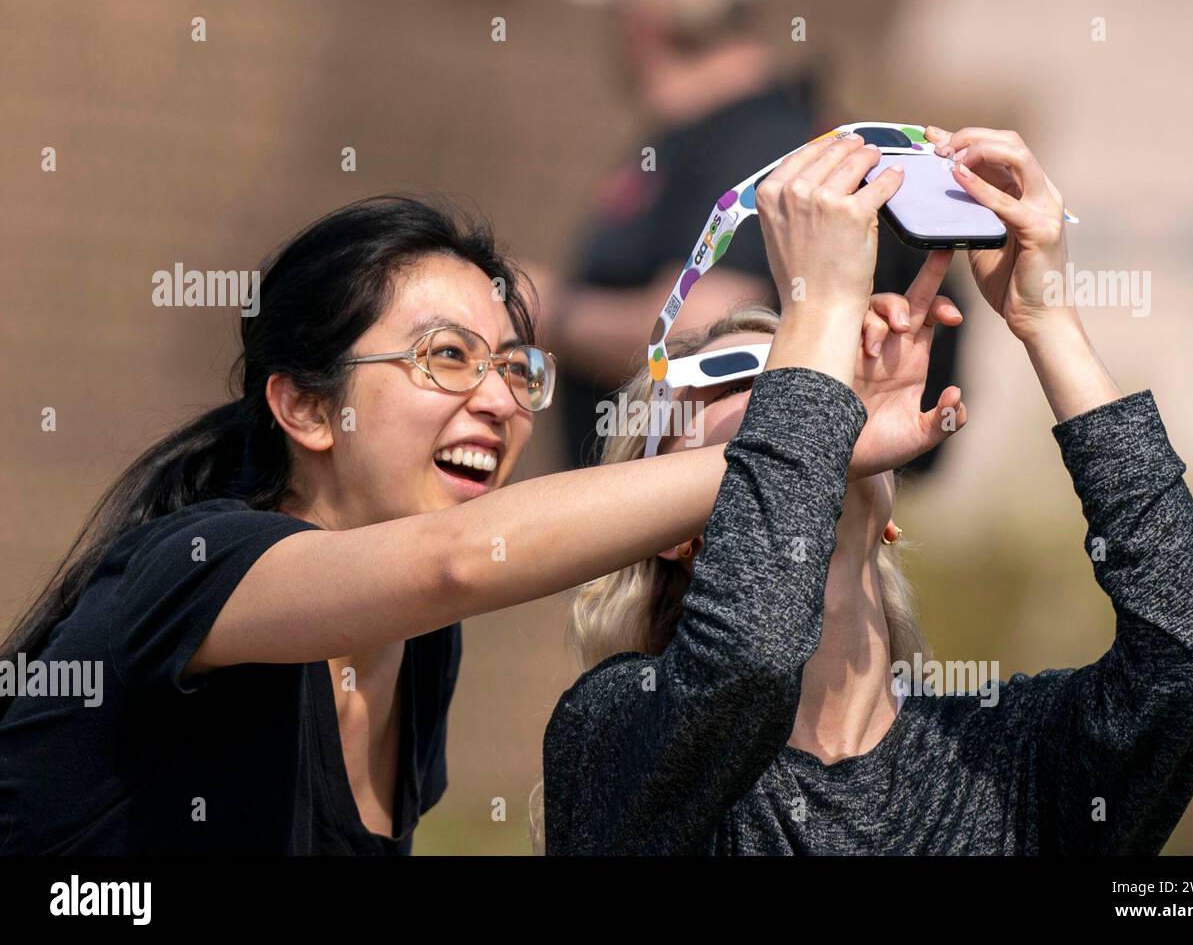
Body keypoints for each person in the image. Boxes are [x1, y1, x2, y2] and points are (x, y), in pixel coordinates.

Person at [0, 189, 881, 854]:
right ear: (306, 409)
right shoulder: (191, 566)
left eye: (513, 368)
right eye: (446, 358)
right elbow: (454, 562)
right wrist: (805, 426)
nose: (499, 401)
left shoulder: (417, 650)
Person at [538, 126, 1193, 854]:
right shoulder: (614, 732)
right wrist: (817, 317)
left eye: (825, 380)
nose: (816, 403)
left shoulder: (1007, 762)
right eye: (752, 380)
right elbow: (746, 662)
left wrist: (1046, 321)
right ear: (670, 523)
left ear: (889, 515)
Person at [544, 0, 960, 475]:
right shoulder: (718, 133)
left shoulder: (759, 139)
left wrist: (541, 311)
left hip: (726, 517)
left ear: (644, 21)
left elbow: (691, 333)